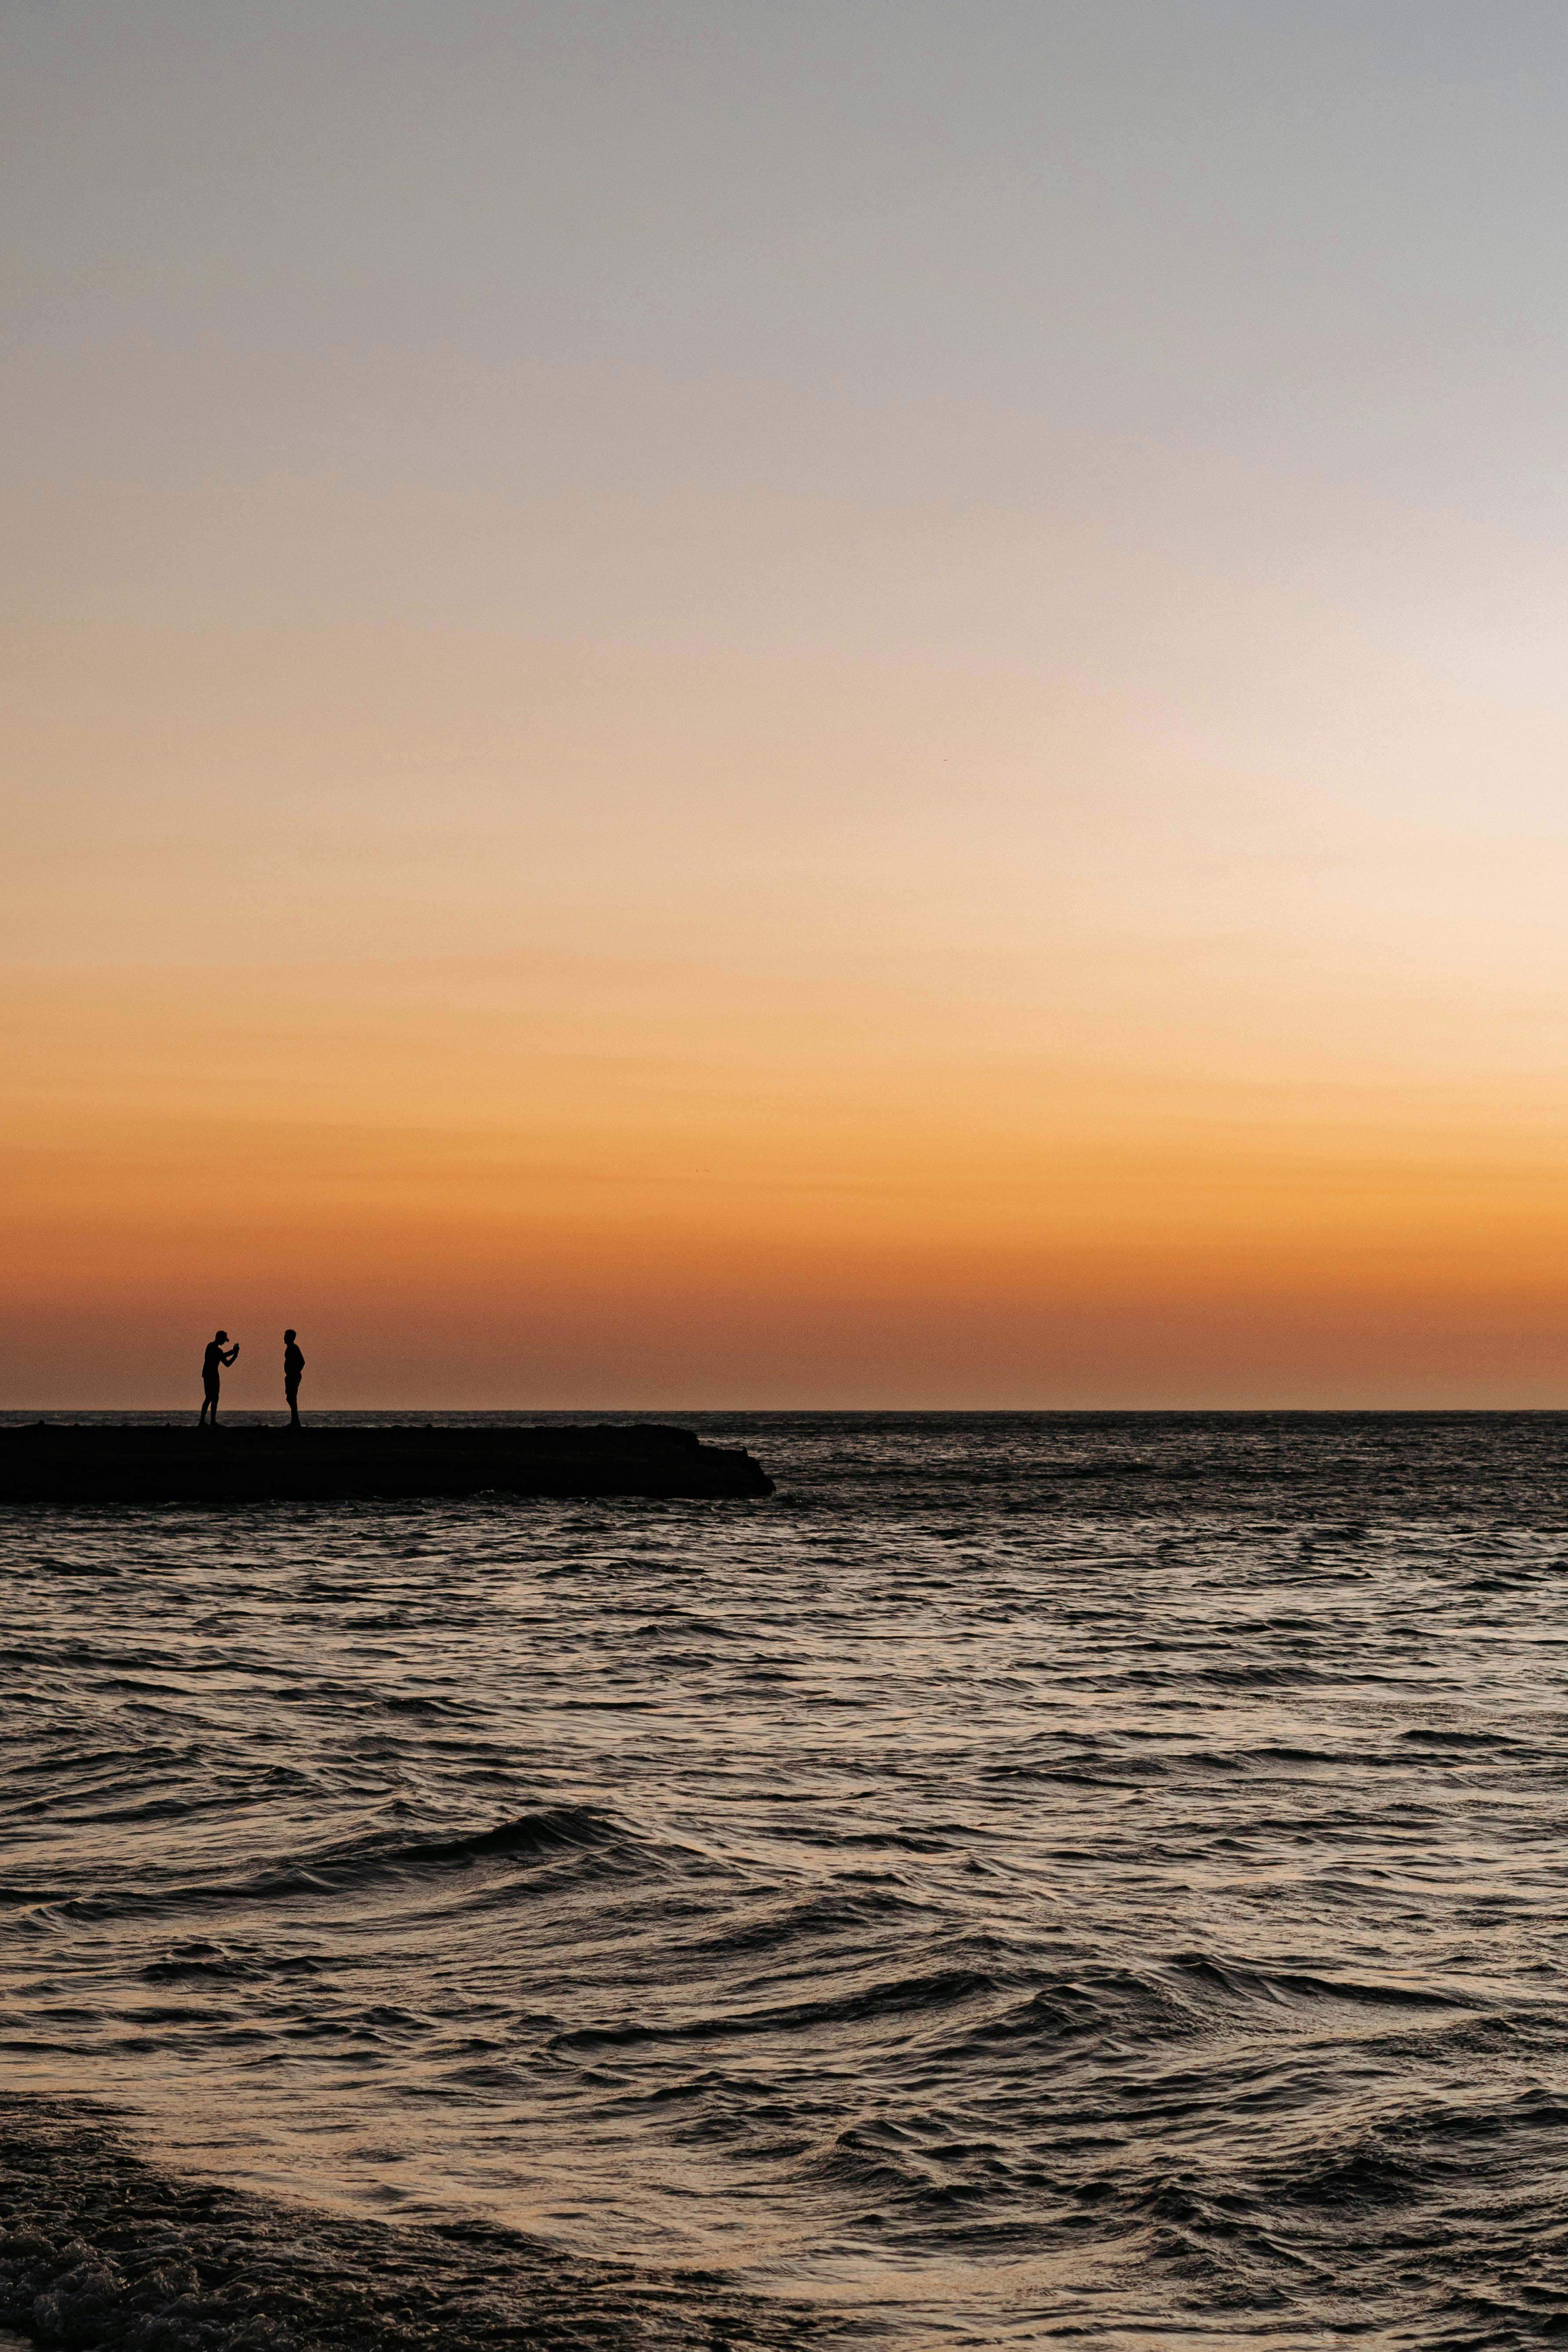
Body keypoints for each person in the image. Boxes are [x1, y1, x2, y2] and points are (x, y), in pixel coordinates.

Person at [199, 1329, 239, 1426]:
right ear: (220, 1339)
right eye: (224, 1340)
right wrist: (234, 1353)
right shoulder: (212, 1347)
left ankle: (211, 1421)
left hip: (212, 1375)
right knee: (210, 1397)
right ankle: (205, 1421)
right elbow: (223, 1358)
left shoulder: (215, 1349)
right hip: (210, 1375)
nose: (224, 1342)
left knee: (214, 1397)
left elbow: (225, 1360)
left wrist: (234, 1354)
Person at [283, 1329, 305, 1428]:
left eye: (286, 1336)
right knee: (291, 1398)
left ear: (291, 1338)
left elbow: (302, 1362)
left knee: (291, 1398)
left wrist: (295, 1372)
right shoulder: (289, 1348)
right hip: (291, 1376)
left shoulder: (294, 1348)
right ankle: (295, 1421)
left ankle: (295, 1422)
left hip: (294, 1377)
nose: (284, 1338)